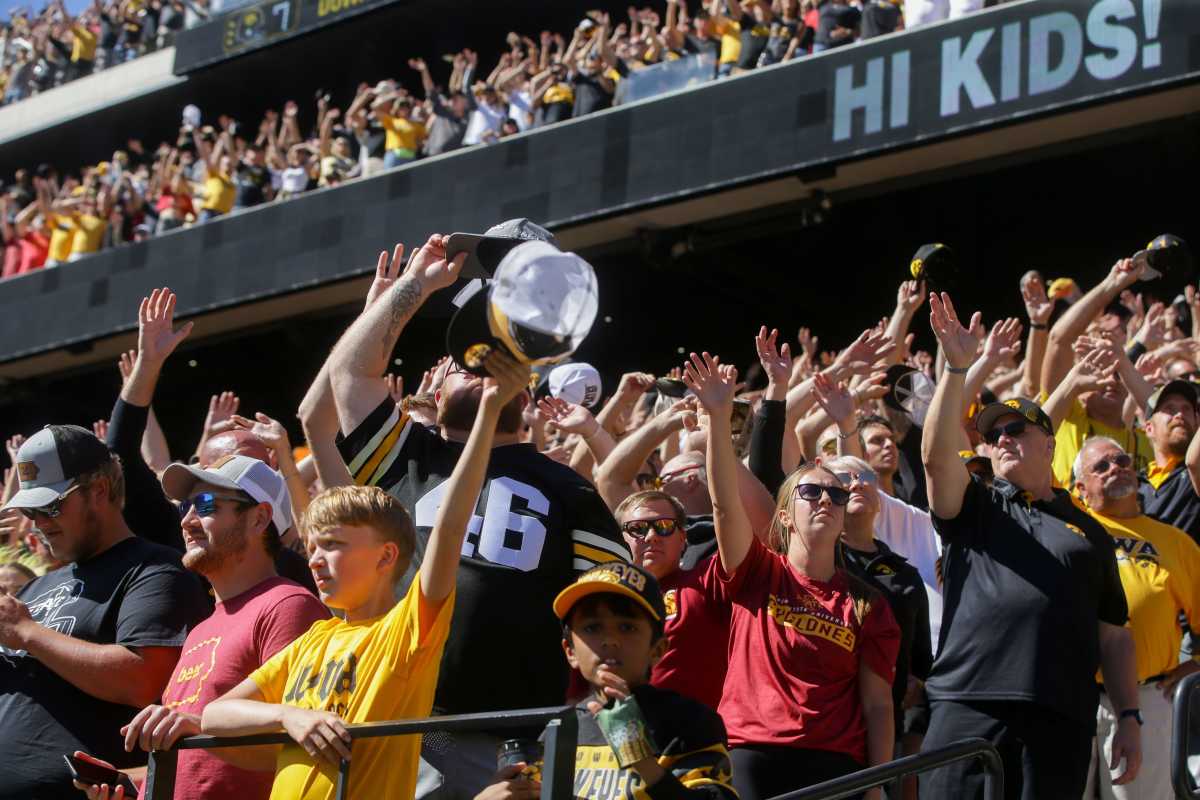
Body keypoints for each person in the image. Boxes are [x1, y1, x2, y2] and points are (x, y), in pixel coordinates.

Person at [313, 235, 631, 799]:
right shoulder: (406, 455)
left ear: (526, 393)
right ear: (436, 388)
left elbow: (614, 600)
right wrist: (414, 288)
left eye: (495, 362)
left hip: (517, 736)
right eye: (464, 363)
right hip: (402, 717)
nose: (478, 371)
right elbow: (349, 379)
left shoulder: (570, 489)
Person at [202, 350, 530, 800]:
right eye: (312, 547)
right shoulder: (313, 639)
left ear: (385, 556)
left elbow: (451, 524)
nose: (314, 560)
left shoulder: (409, 628)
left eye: (333, 546)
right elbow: (215, 715)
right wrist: (290, 717)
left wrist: (489, 412)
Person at [920, 291, 1141, 799]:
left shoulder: (1090, 532)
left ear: (1050, 444)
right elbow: (934, 459)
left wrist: (1129, 715)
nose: (1003, 439)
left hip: (1059, 714)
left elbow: (1114, 635)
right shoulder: (975, 504)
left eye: (1017, 429)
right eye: (994, 433)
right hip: (968, 704)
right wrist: (956, 369)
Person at [687, 350, 899, 800]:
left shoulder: (869, 603)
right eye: (811, 491)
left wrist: (878, 782)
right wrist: (719, 422)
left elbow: (878, 705)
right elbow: (726, 504)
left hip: (836, 767)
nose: (825, 500)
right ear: (784, 516)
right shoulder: (757, 571)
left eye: (837, 496)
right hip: (752, 754)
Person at [71, 455, 330, 800]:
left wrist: (200, 725)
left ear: (260, 518)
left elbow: (304, 739)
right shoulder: (200, 629)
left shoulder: (289, 606)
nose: (188, 520)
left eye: (206, 505)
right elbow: (196, 764)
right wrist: (130, 786)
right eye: (184, 508)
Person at [0, 425, 209, 799]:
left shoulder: (154, 569)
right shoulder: (34, 589)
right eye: (31, 511)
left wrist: (27, 633)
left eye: (50, 507)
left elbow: (142, 680)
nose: (40, 523)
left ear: (99, 490)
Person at [475, 560, 738, 800]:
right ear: (570, 651)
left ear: (657, 649)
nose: (609, 640)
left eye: (627, 627)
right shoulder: (559, 730)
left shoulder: (690, 723)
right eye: (592, 627)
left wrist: (641, 761)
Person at [1072, 436, 1200, 800]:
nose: (1117, 467)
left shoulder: (1176, 543)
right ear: (1079, 487)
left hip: (1148, 699)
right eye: (1102, 465)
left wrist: (1195, 665)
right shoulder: (1066, 526)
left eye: (1123, 460)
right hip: (1071, 698)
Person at [825, 456, 932, 752]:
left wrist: (915, 683)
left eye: (865, 479)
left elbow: (921, 656)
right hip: (826, 723)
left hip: (886, 726)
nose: (857, 483)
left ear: (880, 501)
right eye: (844, 480)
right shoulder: (816, 560)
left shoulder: (905, 573)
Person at [614, 490, 727, 710]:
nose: (651, 536)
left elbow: (736, 515)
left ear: (683, 537)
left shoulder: (707, 582)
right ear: (620, 539)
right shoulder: (598, 598)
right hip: (621, 730)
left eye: (664, 526)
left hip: (695, 734)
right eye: (637, 529)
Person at [1138, 380, 1200, 542]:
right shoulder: (1134, 482)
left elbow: (1194, 462)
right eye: (1169, 408)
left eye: (1187, 409)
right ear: (1149, 428)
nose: (1179, 414)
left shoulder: (1194, 472)